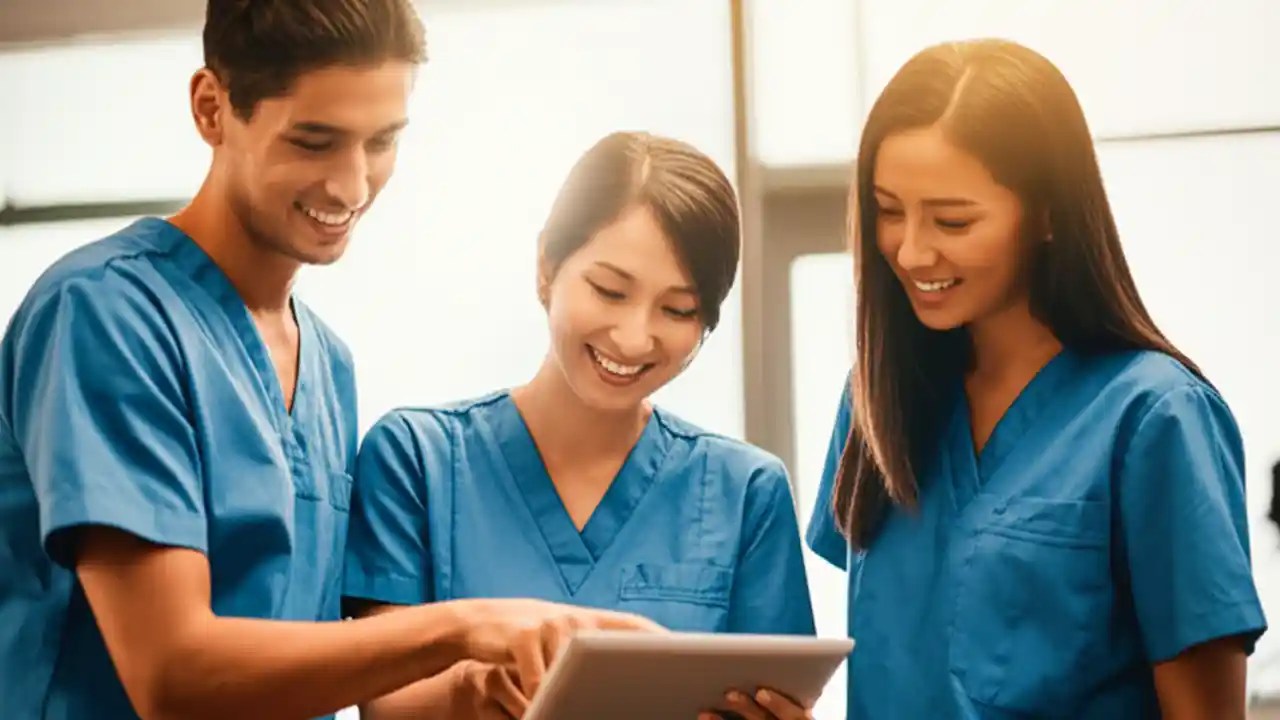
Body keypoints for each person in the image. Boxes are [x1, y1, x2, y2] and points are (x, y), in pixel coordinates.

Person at [0, 3, 657, 719]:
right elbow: (172, 674)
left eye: (381, 142)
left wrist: (478, 687)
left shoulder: (327, 366)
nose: (353, 186)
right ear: (212, 109)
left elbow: (310, 665)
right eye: (314, 142)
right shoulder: (105, 314)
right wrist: (468, 626)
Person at [743, 38, 1267, 720]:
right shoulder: (875, 400)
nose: (910, 249)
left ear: (1047, 213)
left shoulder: (1154, 418)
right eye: (888, 210)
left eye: (952, 219)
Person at [342, 130, 817, 718]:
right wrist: (476, 688)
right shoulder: (417, 460)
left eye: (677, 310)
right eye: (610, 290)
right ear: (546, 268)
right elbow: (381, 704)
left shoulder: (746, 493)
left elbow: (774, 697)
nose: (635, 337)